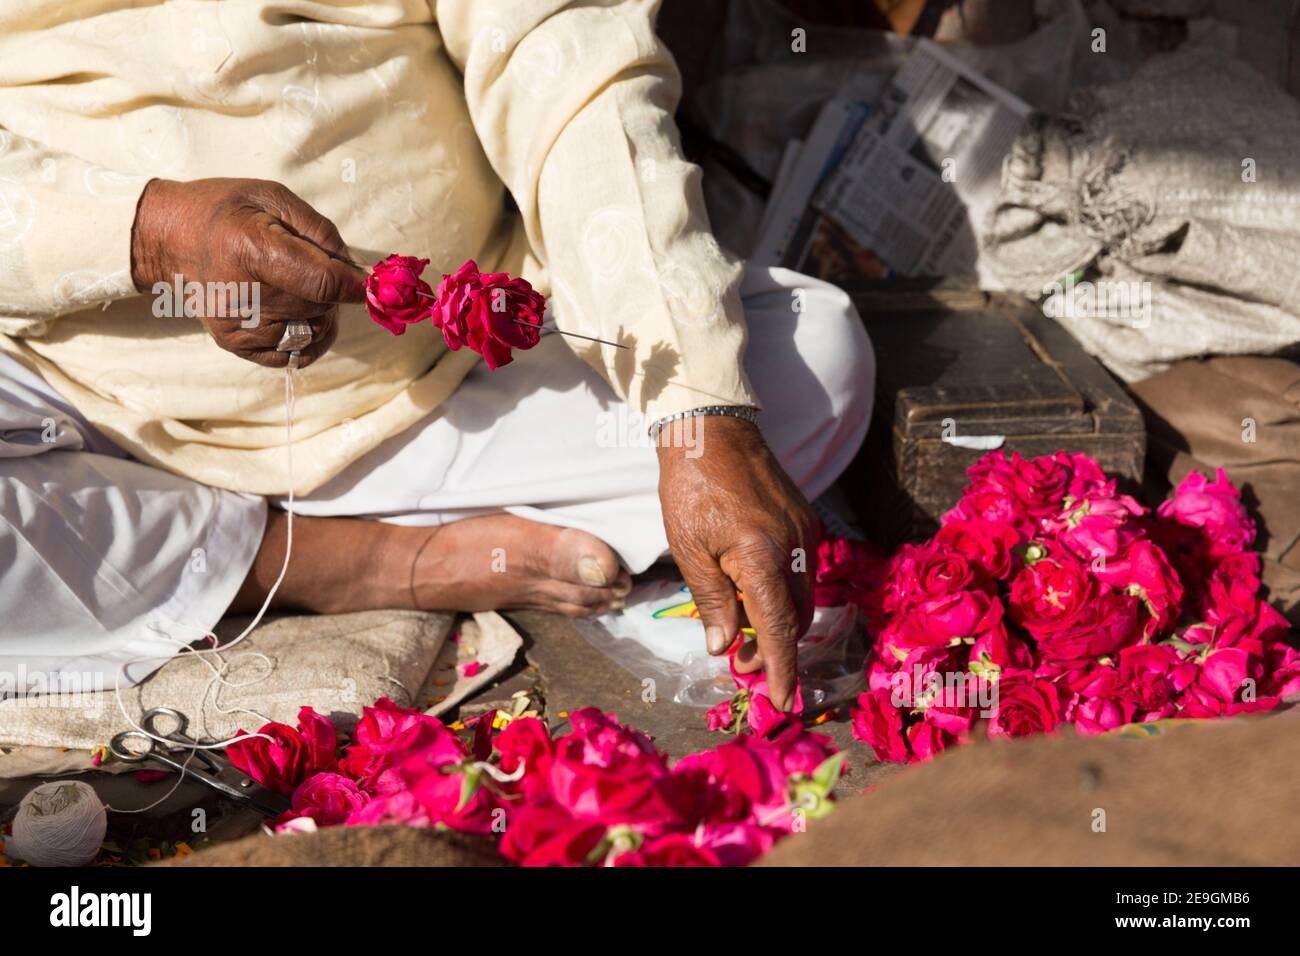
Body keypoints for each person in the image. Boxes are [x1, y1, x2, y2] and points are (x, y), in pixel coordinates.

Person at [0, 1, 873, 712]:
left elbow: (563, 53)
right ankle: (338, 563)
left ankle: (173, 549)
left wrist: (697, 407)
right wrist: (150, 235)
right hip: (65, 387)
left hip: (431, 393)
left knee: (812, 356)